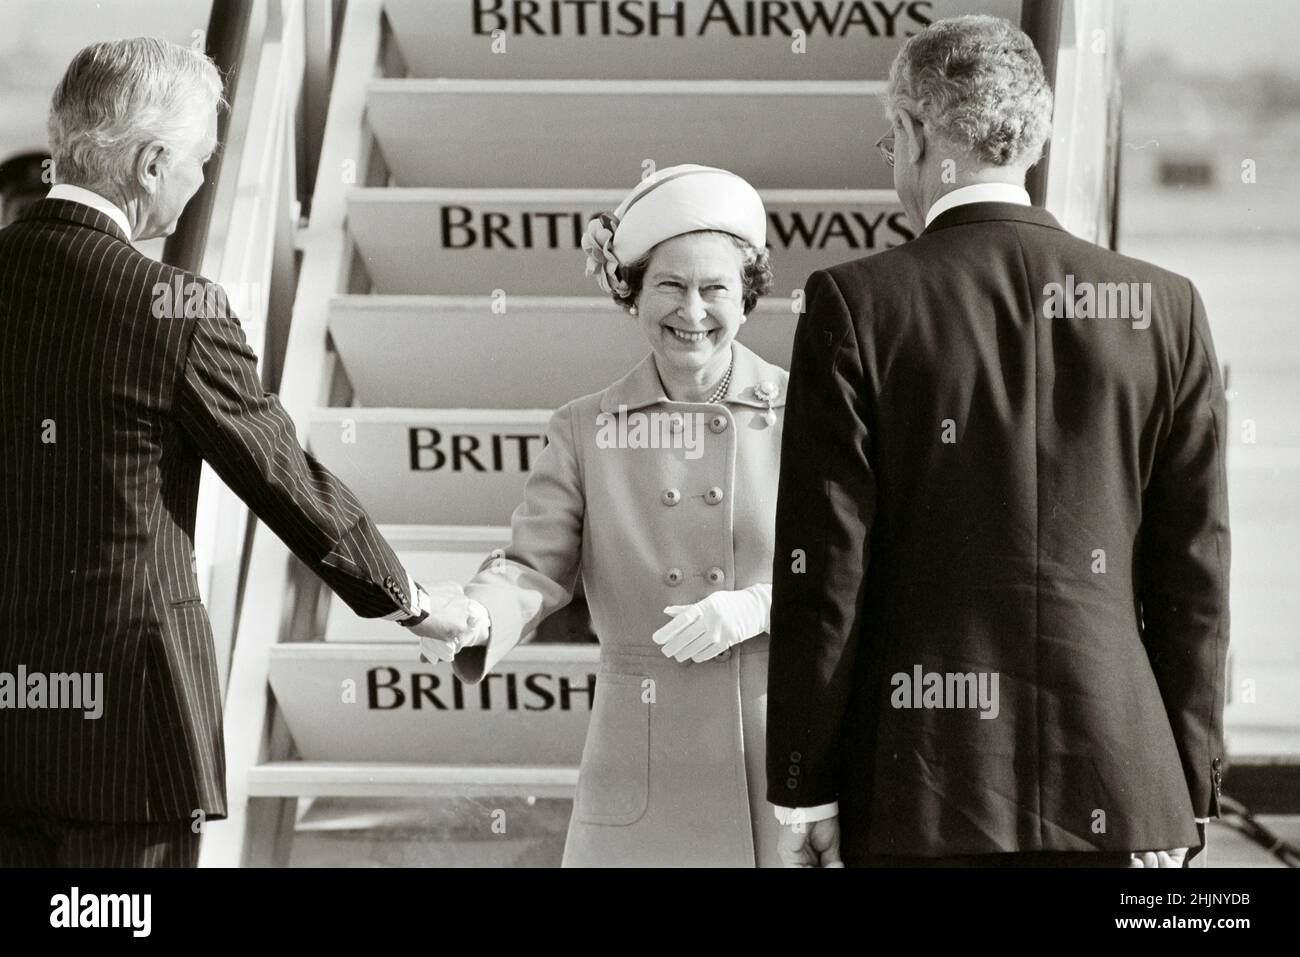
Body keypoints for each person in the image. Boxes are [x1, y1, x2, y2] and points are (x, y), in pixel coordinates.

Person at [0, 38, 478, 867]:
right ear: (151, 163)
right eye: (197, 161)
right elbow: (284, 477)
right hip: (123, 730)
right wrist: (415, 602)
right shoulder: (171, 307)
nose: (198, 183)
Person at [767, 15, 1229, 868]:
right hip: (1123, 787)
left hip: (921, 786)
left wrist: (807, 784)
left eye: (888, 138)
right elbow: (1194, 573)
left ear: (913, 132)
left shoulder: (855, 304)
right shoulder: (1166, 307)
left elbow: (825, 571)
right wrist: (1183, 790)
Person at [422, 164, 789, 866]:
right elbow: (534, 565)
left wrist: (765, 605)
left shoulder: (805, 415)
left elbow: (858, 570)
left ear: (748, 299)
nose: (693, 311)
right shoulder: (585, 427)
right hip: (640, 756)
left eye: (715, 289)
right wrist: (479, 616)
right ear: (632, 295)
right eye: (669, 287)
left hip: (777, 755)